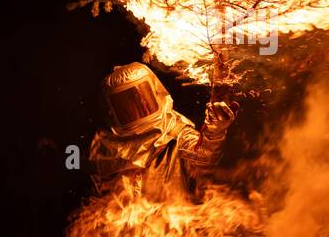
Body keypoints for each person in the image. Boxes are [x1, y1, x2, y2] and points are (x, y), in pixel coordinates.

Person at [88, 63, 237, 201]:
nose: (141, 105)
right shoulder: (104, 150)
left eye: (143, 97)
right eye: (127, 104)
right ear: (111, 111)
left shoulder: (178, 136)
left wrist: (214, 132)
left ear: (156, 93)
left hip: (173, 220)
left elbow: (204, 159)